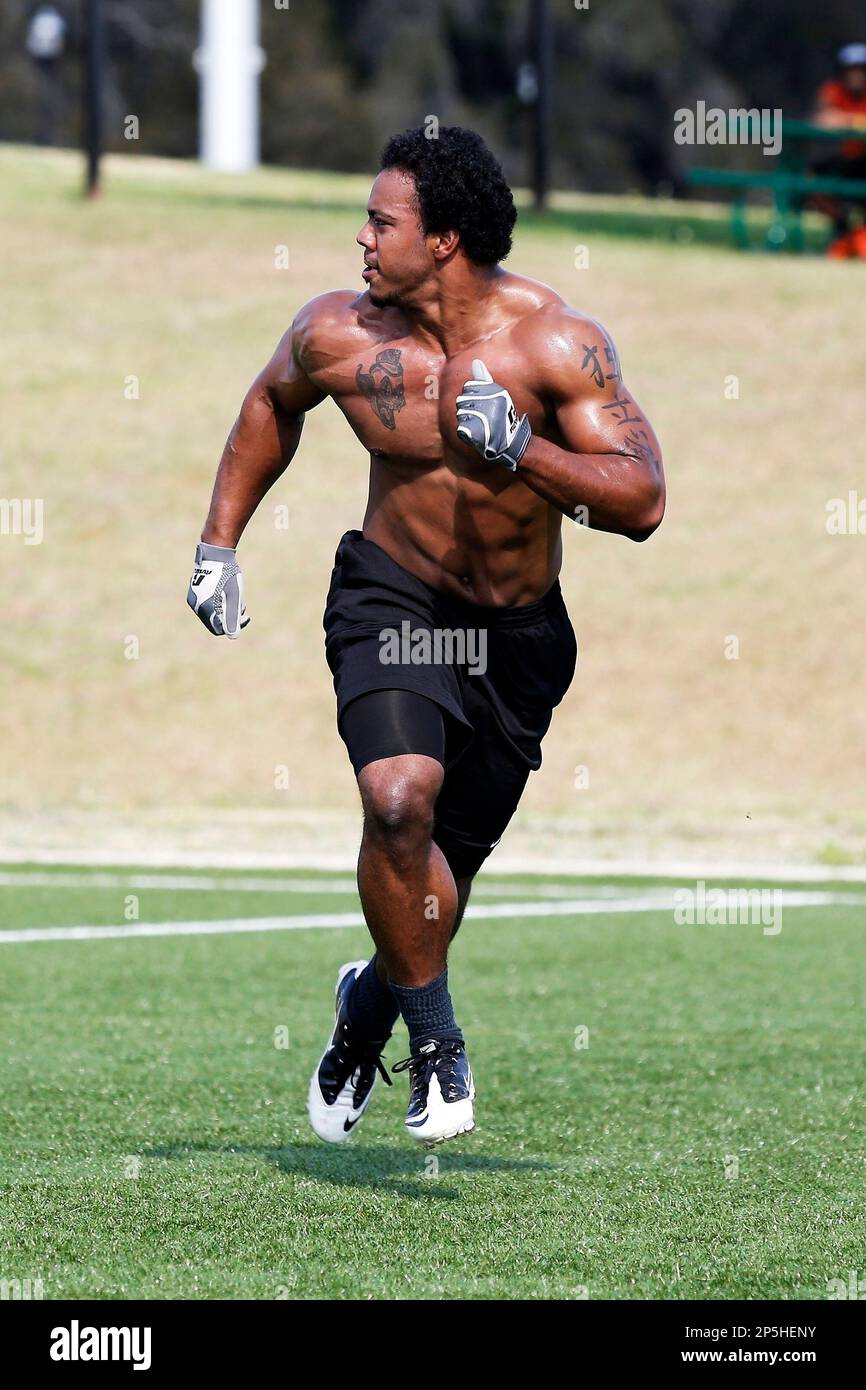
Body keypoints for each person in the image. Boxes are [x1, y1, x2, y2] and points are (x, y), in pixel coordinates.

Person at [187, 126, 665, 1146]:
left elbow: (640, 499)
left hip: (519, 639)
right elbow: (272, 402)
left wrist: (523, 448)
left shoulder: (554, 343)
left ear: (443, 240)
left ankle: (368, 1004)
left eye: (380, 220)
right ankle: (437, 1048)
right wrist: (217, 545)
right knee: (396, 800)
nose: (360, 237)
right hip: (391, 598)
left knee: (437, 880)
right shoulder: (340, 333)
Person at [811, 43, 866, 257]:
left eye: (861, 71)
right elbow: (823, 119)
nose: (856, 76)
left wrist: (846, 121)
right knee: (812, 180)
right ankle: (844, 226)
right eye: (851, 70)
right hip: (845, 160)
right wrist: (854, 121)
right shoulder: (833, 91)